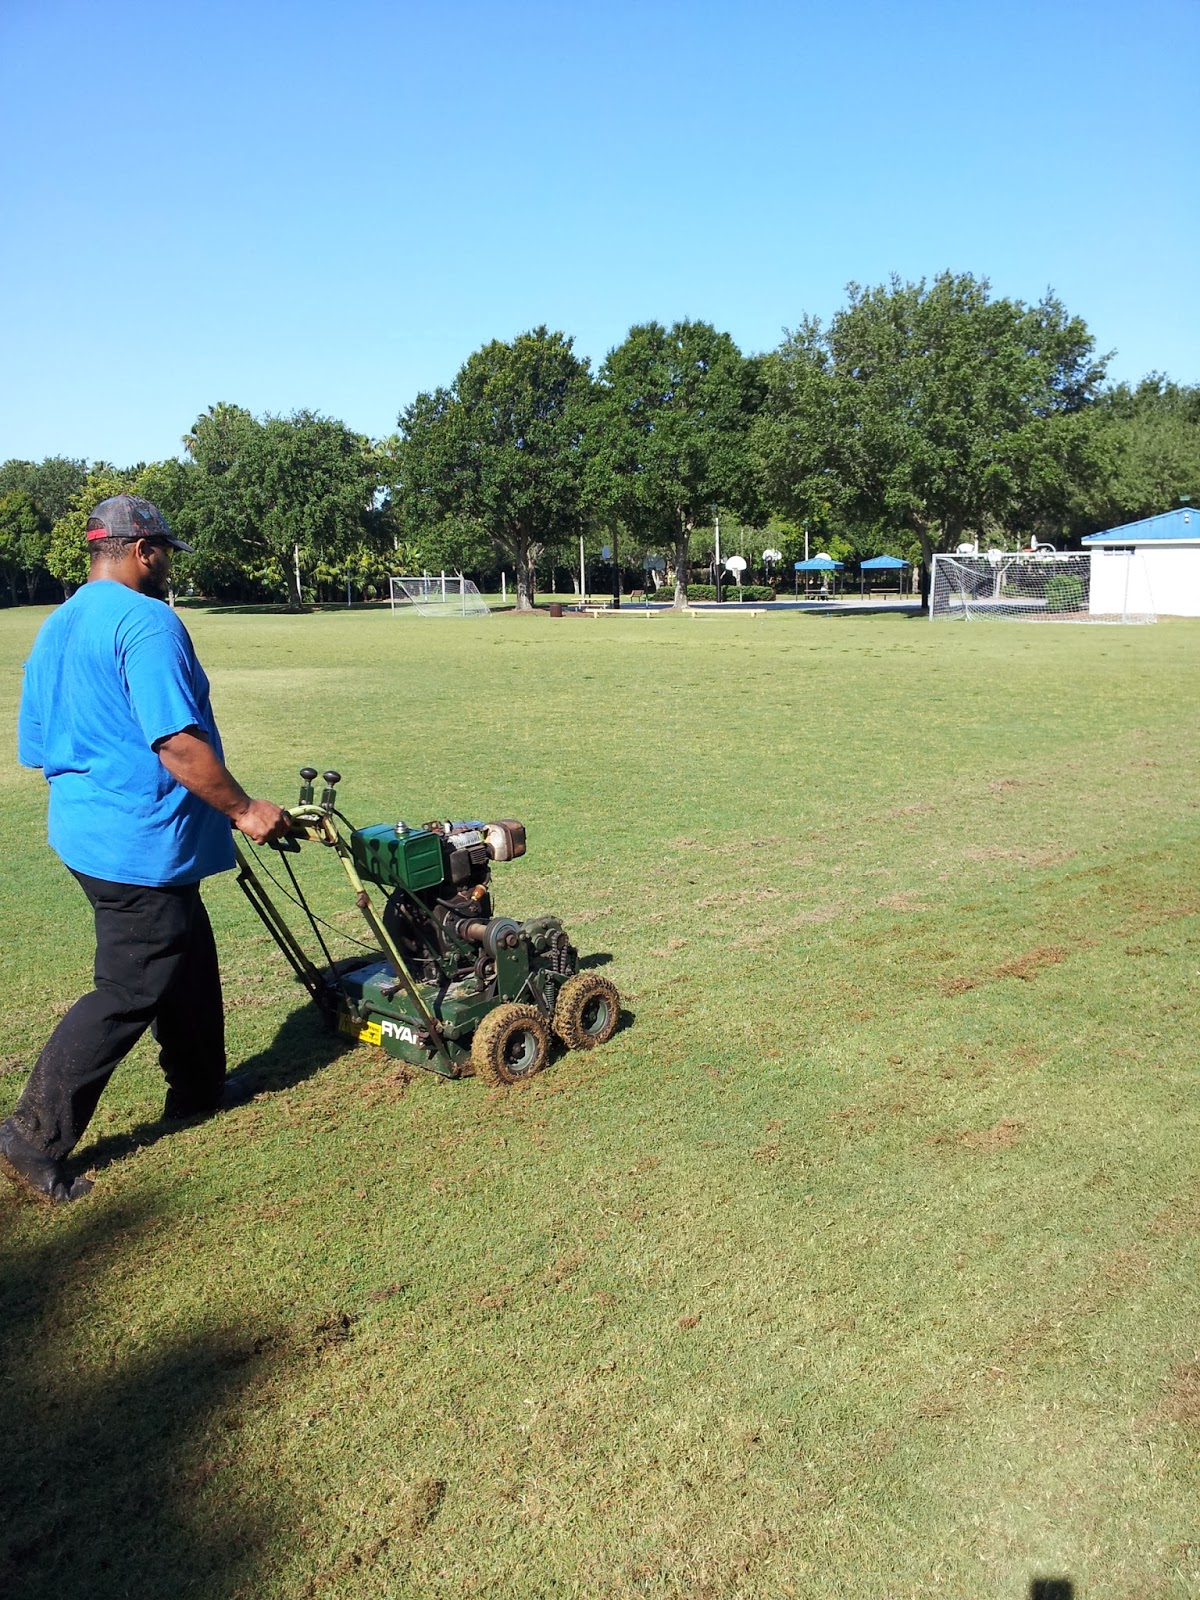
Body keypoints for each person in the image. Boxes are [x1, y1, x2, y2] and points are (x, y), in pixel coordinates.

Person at [1, 494, 290, 1205]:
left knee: (184, 950)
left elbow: (35, 746)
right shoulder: (147, 623)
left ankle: (197, 1087)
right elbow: (176, 743)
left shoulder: (59, 623)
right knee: (131, 985)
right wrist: (247, 809)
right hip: (139, 842)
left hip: (88, 834)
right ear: (143, 550)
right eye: (164, 552)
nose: (166, 566)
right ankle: (30, 1136)